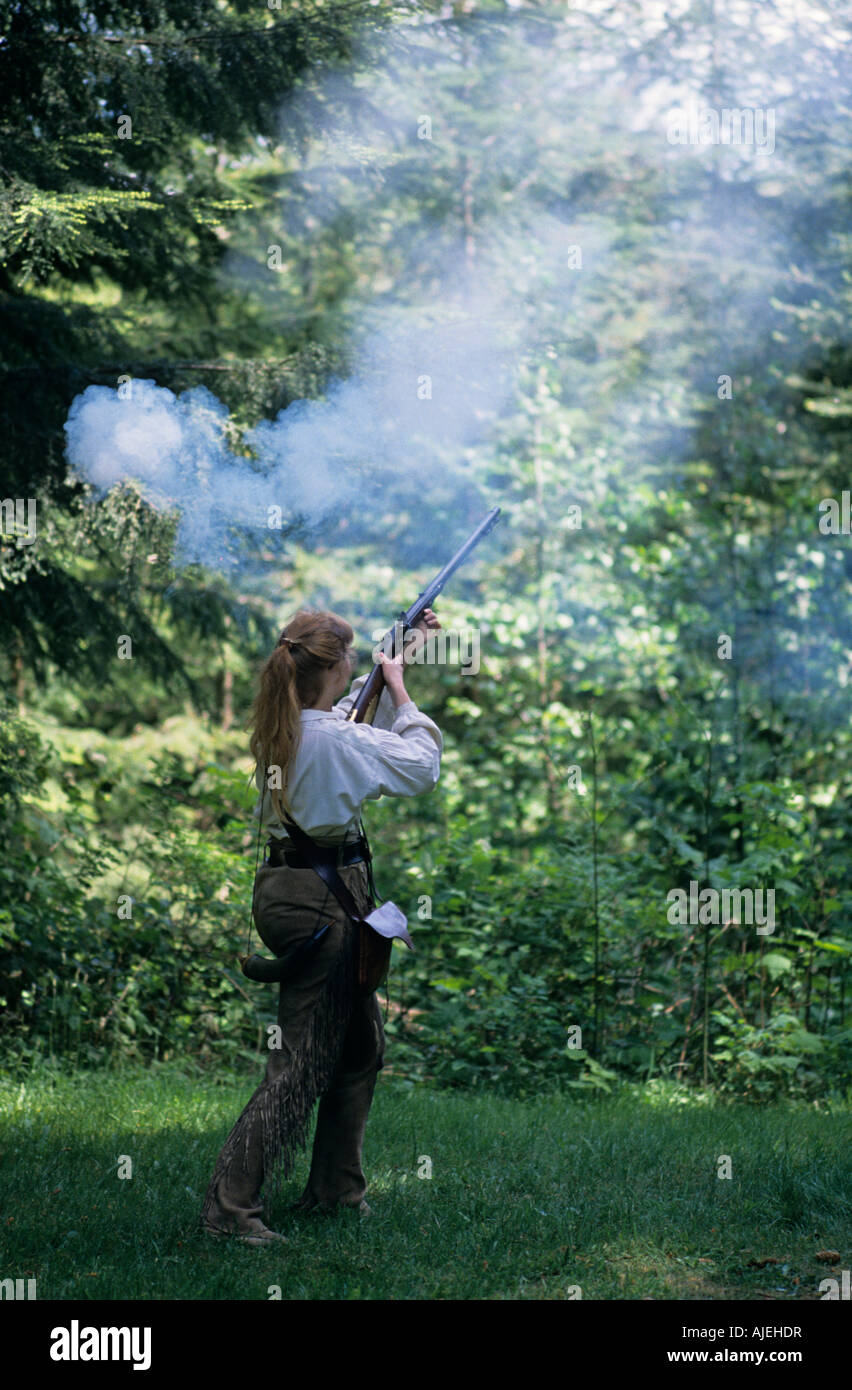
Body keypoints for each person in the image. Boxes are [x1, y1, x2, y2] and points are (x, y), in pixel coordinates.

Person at [201, 607, 442, 1244]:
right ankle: (230, 1209)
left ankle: (336, 1192)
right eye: (350, 658)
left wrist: (402, 656)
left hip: (297, 890)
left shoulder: (292, 726)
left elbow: (346, 730)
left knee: (360, 1051)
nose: (354, 666)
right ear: (335, 668)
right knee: (299, 1064)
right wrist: (400, 691)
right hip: (320, 898)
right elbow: (420, 766)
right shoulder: (332, 738)